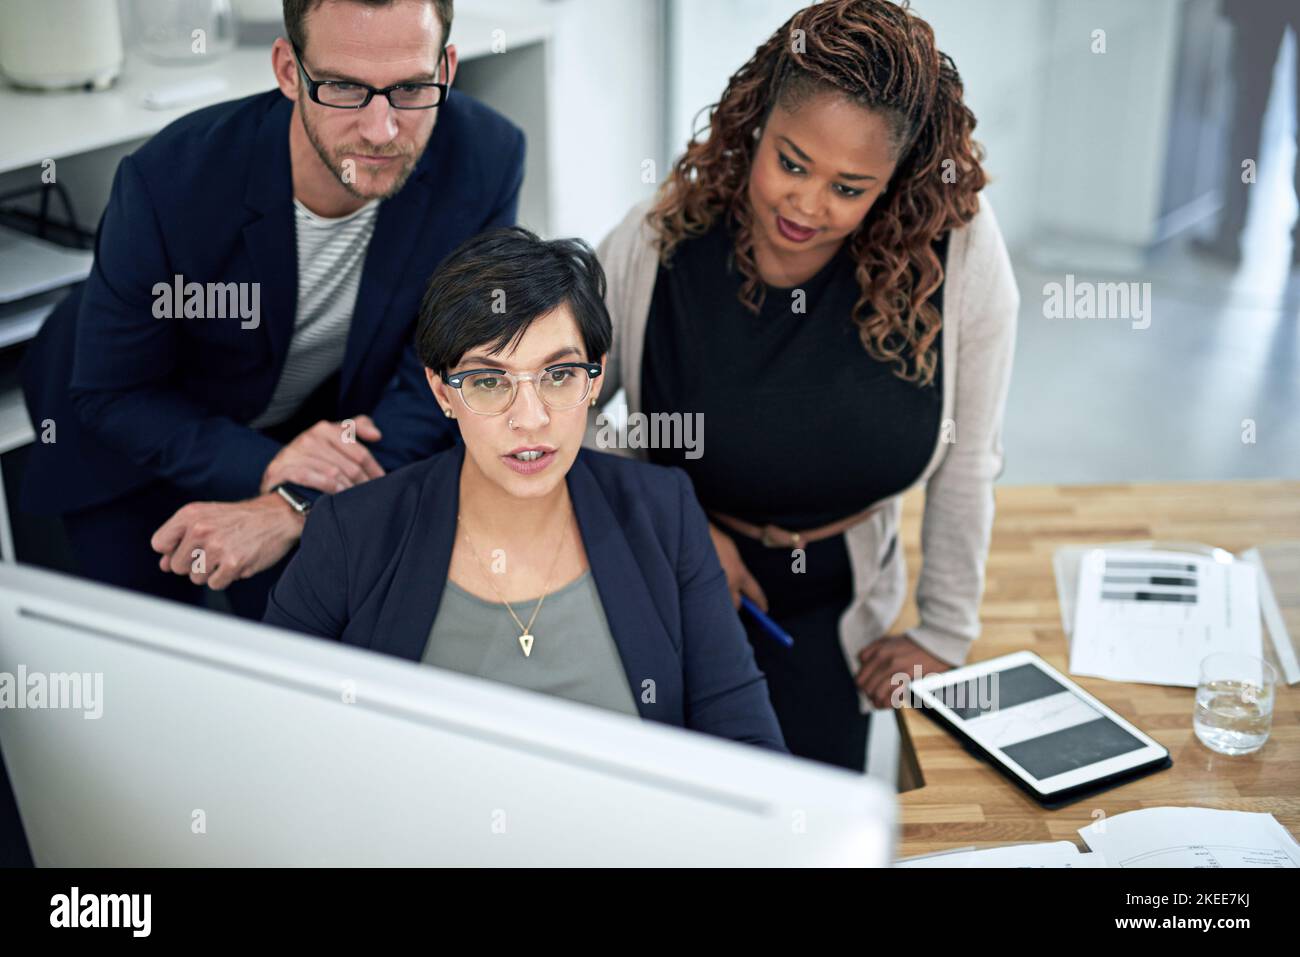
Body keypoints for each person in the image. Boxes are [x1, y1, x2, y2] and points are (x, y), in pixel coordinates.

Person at [589, 0, 1018, 771]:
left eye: (850, 187)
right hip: (675, 577)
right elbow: (552, 410)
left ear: (894, 180)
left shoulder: (958, 254)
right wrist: (671, 520)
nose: (808, 205)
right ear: (756, 123)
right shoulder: (663, 239)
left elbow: (969, 457)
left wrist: (943, 632)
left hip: (838, 609)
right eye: (791, 163)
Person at [20, 0, 525, 618]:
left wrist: (295, 502)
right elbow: (112, 395)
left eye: (412, 88)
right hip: (138, 429)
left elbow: (438, 377)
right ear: (289, 71)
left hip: (313, 428)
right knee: (149, 656)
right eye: (342, 87)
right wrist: (270, 470)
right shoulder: (169, 183)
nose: (380, 129)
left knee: (313, 637)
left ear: (445, 70)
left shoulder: (487, 158)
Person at [264, 227, 787, 751]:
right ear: (441, 391)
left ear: (596, 377)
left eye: (558, 374)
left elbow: (745, 740)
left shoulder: (663, 512)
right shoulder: (349, 532)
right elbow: (273, 741)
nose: (531, 419)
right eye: (490, 382)